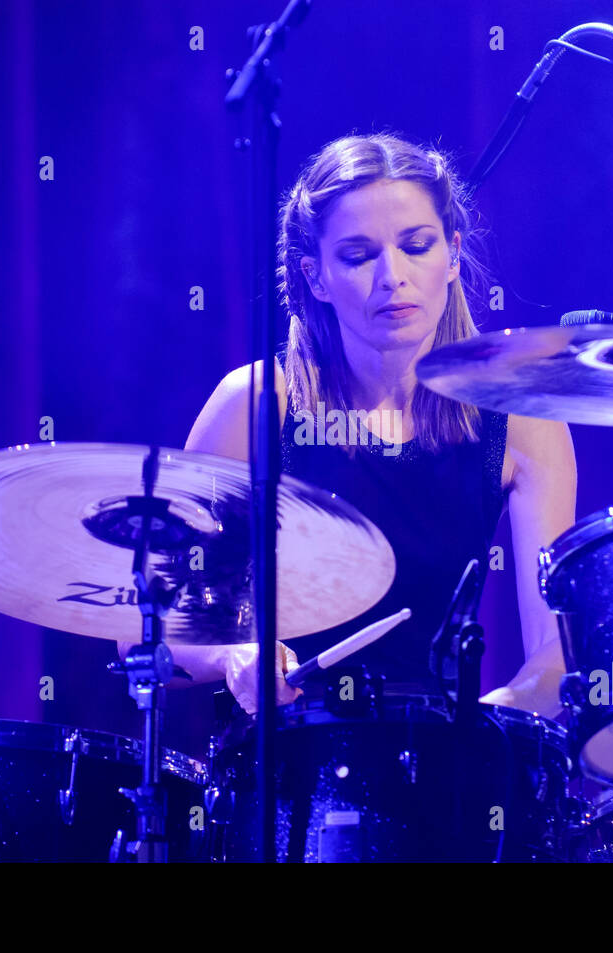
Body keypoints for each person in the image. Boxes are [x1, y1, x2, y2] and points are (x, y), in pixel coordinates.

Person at [174, 132, 576, 716]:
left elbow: (555, 653)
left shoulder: (520, 416)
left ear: (454, 252)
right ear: (315, 278)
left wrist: (488, 725)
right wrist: (232, 656)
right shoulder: (257, 404)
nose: (393, 276)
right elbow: (148, 625)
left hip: (448, 765)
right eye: (359, 255)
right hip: (284, 763)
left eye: (417, 245)